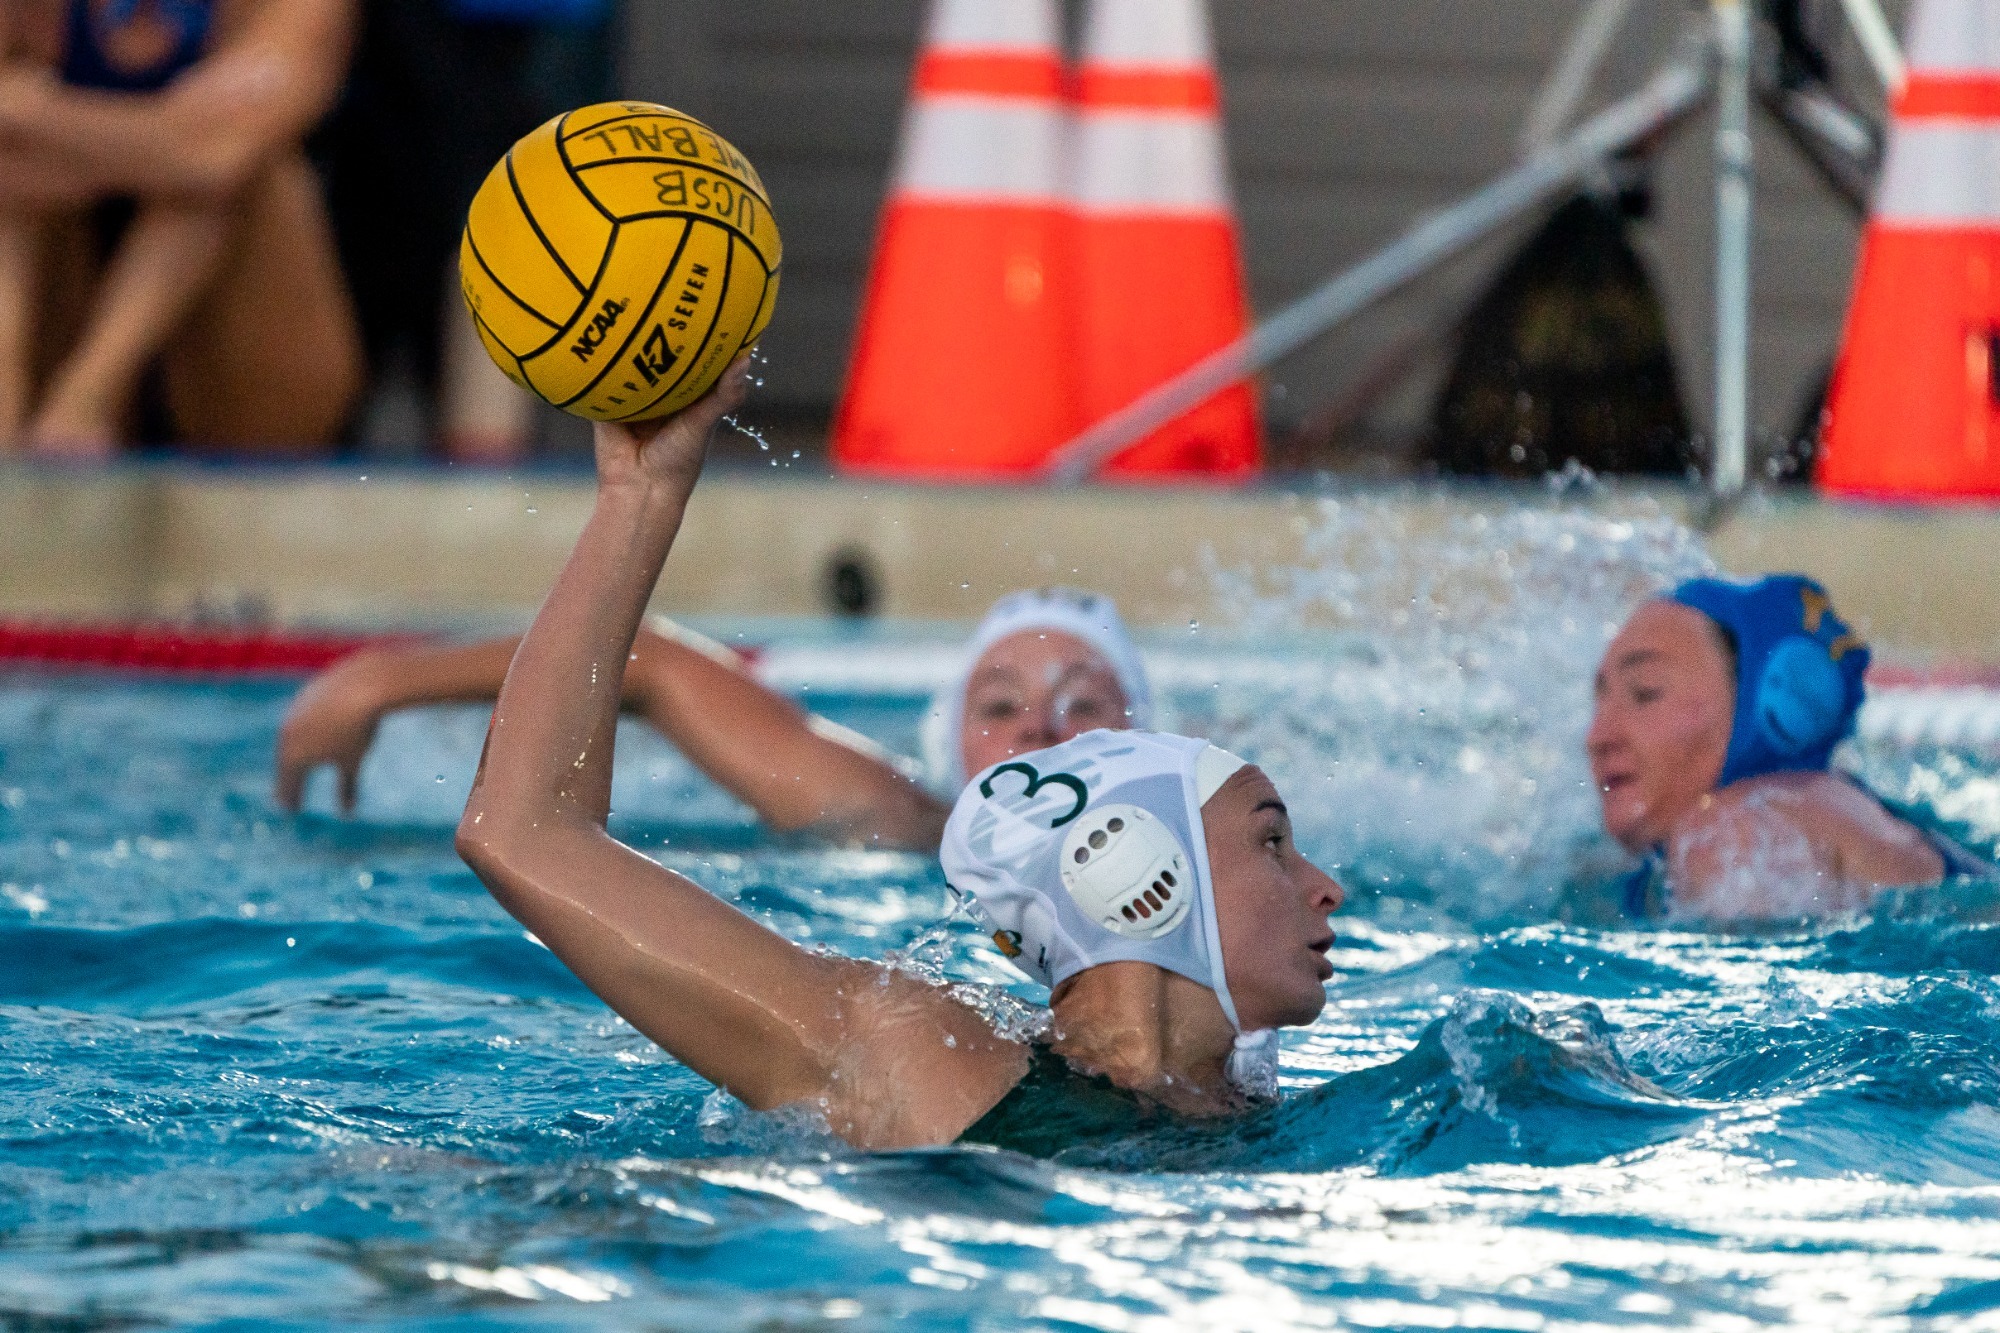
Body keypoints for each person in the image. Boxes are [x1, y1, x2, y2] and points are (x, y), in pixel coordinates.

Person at [453, 357, 1345, 1150]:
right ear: (1138, 868)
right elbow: (525, 833)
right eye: (1271, 840)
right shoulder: (918, 1053)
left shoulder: (1239, 1098)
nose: (1324, 885)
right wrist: (640, 497)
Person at [276, 585, 1151, 852]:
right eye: (1000, 704)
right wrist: (382, 678)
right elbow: (650, 666)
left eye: (1082, 703)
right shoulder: (898, 823)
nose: (1040, 728)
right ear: (948, 744)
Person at [0, 0, 362, 457]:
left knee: (256, 176)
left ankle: (84, 402)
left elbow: (223, 156)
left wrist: (42, 120)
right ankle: (15, 397)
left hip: (238, 326)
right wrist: (178, 138)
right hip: (54, 275)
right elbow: (204, 150)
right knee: (13, 184)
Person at [1588, 574, 1988, 922]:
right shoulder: (1841, 810)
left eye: (1645, 692)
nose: (1598, 737)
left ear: (1778, 705)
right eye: (1600, 699)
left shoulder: (1743, 826)